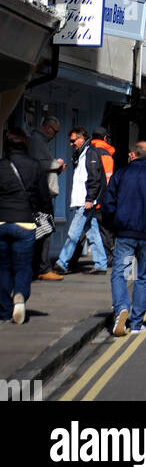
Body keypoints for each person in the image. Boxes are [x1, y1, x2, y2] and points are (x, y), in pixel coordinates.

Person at [101, 141, 146, 336]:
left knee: (119, 274)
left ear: (133, 155)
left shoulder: (121, 174)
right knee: (143, 277)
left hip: (125, 234)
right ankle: (136, 323)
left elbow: (107, 203)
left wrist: (113, 224)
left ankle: (122, 308)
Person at [0, 128, 52, 323]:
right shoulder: (35, 165)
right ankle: (20, 294)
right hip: (25, 223)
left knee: (3, 268)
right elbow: (43, 197)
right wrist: (46, 216)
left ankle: (4, 312)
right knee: (23, 267)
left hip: (2, 221)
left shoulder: (1, 166)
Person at [44, 128, 108, 277]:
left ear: (81, 138)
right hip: (83, 200)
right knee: (93, 233)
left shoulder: (90, 153)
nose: (71, 143)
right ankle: (101, 264)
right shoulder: (83, 153)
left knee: (73, 233)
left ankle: (62, 263)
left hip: (85, 201)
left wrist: (90, 199)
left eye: (73, 140)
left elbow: (94, 177)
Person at [27, 115, 65, 280]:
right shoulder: (36, 140)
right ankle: (42, 268)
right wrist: (56, 164)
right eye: (54, 131)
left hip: (44, 193)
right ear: (47, 127)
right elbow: (37, 165)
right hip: (41, 195)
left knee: (44, 230)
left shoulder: (40, 141)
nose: (55, 135)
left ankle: (40, 267)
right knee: (45, 229)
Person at [90, 130, 116, 261]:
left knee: (81, 231)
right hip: (101, 199)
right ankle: (108, 257)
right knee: (105, 230)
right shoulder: (106, 154)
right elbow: (108, 179)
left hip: (87, 199)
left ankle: (68, 260)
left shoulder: (87, 151)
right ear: (105, 138)